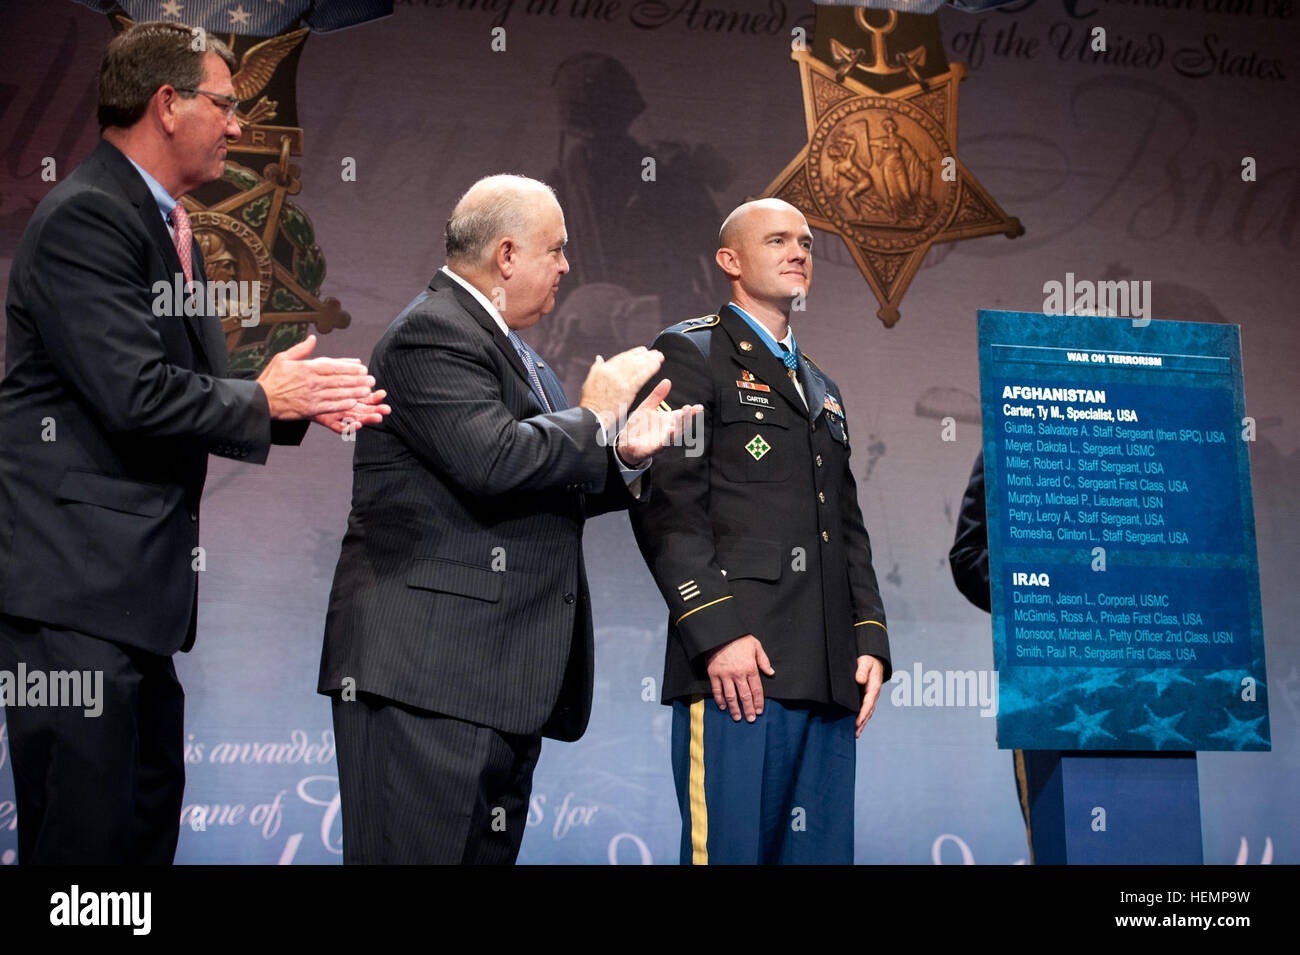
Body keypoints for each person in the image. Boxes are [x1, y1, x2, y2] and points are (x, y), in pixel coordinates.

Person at [0, 20, 387, 864]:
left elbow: (172, 388)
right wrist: (262, 396)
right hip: (75, 599)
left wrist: (288, 403)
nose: (239, 125)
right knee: (83, 858)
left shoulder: (157, 221)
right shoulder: (89, 219)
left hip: (128, 602)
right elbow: (133, 392)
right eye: (224, 103)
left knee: (135, 840)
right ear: (167, 105)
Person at [318, 174, 700, 865]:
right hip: (428, 681)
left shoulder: (524, 358)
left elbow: (542, 478)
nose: (566, 267)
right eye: (555, 250)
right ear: (506, 255)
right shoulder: (431, 333)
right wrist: (594, 415)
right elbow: (491, 461)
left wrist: (624, 457)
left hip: (498, 682)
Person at [629, 198, 891, 864]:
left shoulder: (822, 387)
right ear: (731, 261)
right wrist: (715, 632)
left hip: (827, 671)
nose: (798, 251)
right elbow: (668, 503)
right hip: (739, 665)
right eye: (777, 240)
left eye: (804, 241)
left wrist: (868, 637)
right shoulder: (689, 353)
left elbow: (847, 524)